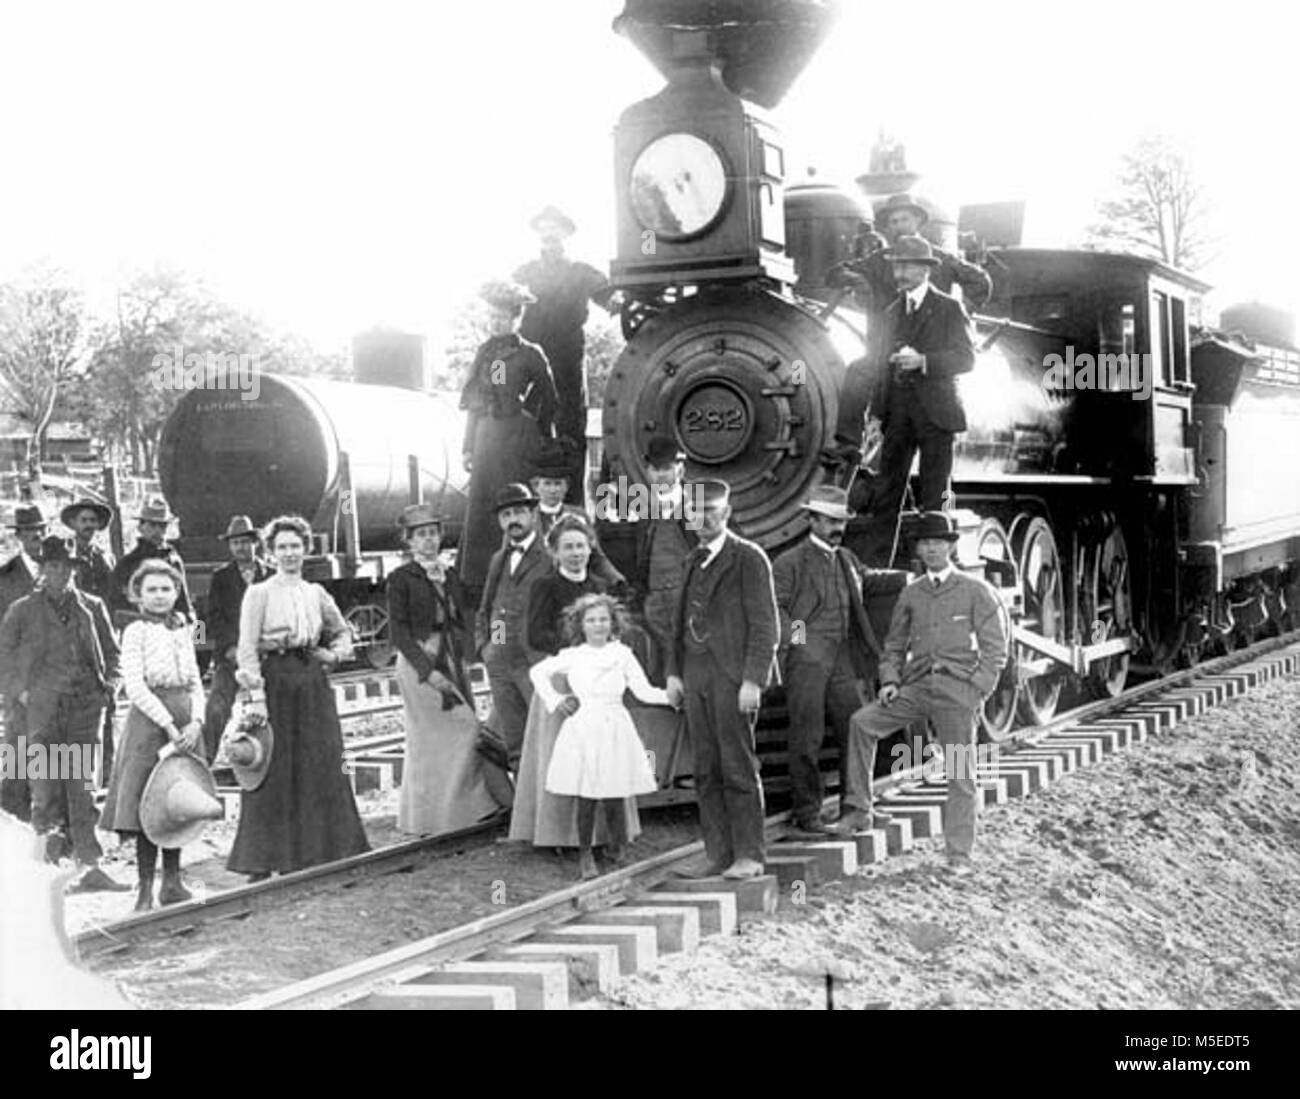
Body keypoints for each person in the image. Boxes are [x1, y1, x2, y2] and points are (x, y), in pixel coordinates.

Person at [833, 512, 1008, 874]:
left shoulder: (976, 591)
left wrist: (977, 691)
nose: (930, 549)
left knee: (960, 773)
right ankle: (860, 810)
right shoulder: (911, 593)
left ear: (951, 546)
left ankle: (958, 854)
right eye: (925, 543)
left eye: (937, 543)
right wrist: (891, 680)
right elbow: (894, 644)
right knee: (862, 723)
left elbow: (996, 650)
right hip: (916, 687)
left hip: (957, 691)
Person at [228, 515, 369, 879]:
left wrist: (333, 654)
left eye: (295, 547)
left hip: (311, 683)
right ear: (271, 553)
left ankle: (325, 850)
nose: (289, 554)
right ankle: (266, 858)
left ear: (306, 550)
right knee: (274, 764)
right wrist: (256, 695)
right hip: (275, 682)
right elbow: (245, 648)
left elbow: (342, 632)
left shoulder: (316, 593)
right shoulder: (257, 593)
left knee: (322, 758)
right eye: (281, 548)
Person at [771, 486, 908, 834]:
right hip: (807, 661)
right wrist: (803, 640)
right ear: (811, 520)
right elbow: (777, 609)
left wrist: (908, 577)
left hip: (843, 660)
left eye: (841, 521)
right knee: (807, 736)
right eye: (830, 521)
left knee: (857, 729)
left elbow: (868, 581)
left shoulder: (845, 558)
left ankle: (857, 806)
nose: (837, 527)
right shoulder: (790, 562)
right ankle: (808, 812)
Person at [839, 235, 978, 566]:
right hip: (897, 415)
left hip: (937, 414)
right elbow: (879, 368)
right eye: (896, 266)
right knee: (886, 496)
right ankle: (878, 571)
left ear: (924, 270)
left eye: (906, 266)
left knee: (935, 496)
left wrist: (925, 361)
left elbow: (967, 358)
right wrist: (875, 415)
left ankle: (940, 569)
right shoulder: (889, 314)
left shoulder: (948, 307)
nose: (898, 273)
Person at [666, 479, 779, 881]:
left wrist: (753, 681)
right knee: (705, 768)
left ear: (726, 513)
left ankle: (749, 854)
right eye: (695, 513)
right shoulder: (690, 561)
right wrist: (674, 673)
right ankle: (717, 853)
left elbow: (766, 626)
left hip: (732, 677)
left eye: (710, 512)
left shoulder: (749, 558)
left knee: (737, 766)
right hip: (695, 675)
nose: (702, 520)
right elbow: (676, 623)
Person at [0, 536, 127, 892]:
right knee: (45, 788)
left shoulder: (92, 606)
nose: (60, 574)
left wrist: (108, 689)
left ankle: (90, 865)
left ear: (74, 570)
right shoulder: (22, 610)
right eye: (53, 566)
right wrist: (21, 693)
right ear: (43, 569)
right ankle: (46, 872)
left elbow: (114, 655)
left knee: (81, 787)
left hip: (84, 708)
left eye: (67, 567)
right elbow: (4, 659)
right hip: (42, 711)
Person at [530, 594, 665, 879]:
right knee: (587, 794)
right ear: (581, 625)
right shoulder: (573, 655)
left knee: (615, 790)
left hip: (616, 723)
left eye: (603, 619)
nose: (598, 625)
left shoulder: (622, 654)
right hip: (584, 726)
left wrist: (672, 697)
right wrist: (557, 700)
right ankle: (585, 854)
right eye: (591, 620)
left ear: (613, 622)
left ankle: (617, 848)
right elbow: (537, 672)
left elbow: (642, 691)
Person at [387, 503, 501, 836]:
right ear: (409, 542)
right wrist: (428, 672)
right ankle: (428, 817)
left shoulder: (449, 574)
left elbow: (464, 616)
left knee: (460, 732)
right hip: (419, 662)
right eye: (421, 535)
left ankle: (461, 814)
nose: (428, 540)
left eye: (433, 533)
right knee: (442, 734)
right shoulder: (400, 579)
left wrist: (469, 655)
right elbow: (398, 632)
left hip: (451, 658)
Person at [98, 559, 205, 911]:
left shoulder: (183, 629)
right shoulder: (135, 632)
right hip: (150, 725)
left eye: (166, 589)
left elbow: (195, 682)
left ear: (176, 593)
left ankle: (172, 883)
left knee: (177, 800)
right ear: (138, 596)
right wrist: (170, 727)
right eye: (152, 590)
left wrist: (195, 723)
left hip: (184, 720)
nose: (160, 596)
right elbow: (135, 686)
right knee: (149, 803)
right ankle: (144, 888)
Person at [459, 280, 558, 600]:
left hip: (519, 439)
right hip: (487, 437)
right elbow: (473, 404)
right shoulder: (484, 353)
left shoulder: (530, 353)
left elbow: (550, 397)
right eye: (493, 316)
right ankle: (481, 580)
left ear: (517, 318)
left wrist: (533, 427)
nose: (496, 321)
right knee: (484, 506)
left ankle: (529, 572)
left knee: (518, 501)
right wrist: (467, 446)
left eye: (503, 316)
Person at [514, 205, 616, 502]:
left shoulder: (581, 273)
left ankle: (574, 507)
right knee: (528, 426)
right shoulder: (525, 273)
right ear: (538, 237)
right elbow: (501, 301)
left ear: (566, 236)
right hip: (530, 360)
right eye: (544, 232)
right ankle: (527, 502)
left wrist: (617, 300)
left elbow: (608, 295)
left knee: (571, 427)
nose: (550, 238)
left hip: (568, 357)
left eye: (555, 232)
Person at [475, 484, 554, 771]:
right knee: (516, 744)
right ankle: (525, 813)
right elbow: (492, 607)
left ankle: (552, 812)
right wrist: (489, 647)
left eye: (520, 512)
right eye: (506, 514)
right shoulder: (499, 559)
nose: (513, 520)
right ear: (500, 520)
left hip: (536, 663)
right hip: (502, 665)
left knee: (547, 738)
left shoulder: (550, 556)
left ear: (533, 514)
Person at [200, 515, 271, 761]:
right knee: (217, 706)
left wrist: (264, 646)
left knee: (276, 707)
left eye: (245, 542)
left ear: (255, 543)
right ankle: (205, 758)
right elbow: (213, 616)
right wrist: (232, 646)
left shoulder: (272, 574)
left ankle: (275, 757)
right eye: (235, 543)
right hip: (231, 654)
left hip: (267, 655)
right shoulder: (221, 577)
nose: (240, 547)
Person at [628, 435, 694, 685]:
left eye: (667, 468)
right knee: (663, 666)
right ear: (648, 472)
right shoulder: (641, 507)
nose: (661, 475)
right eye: (655, 469)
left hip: (689, 599)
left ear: (681, 469)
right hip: (655, 602)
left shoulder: (698, 503)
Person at [0, 505, 47, 821]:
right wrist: (13, 686)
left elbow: (195, 616)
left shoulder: (63, 570)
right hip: (20, 681)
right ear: (18, 536)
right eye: (31, 532)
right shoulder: (5, 579)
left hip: (58, 679)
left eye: (42, 530)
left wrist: (199, 645)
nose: (38, 537)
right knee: (17, 752)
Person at [872, 193, 992, 309]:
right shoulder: (878, 259)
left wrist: (959, 311)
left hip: (933, 326)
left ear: (917, 220)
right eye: (894, 222)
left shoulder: (941, 257)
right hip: (891, 327)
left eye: (904, 219)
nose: (899, 226)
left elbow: (980, 281)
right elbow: (855, 275)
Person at [525, 514, 608, 664]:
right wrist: (576, 648)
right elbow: (536, 636)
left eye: (580, 546)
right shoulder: (545, 586)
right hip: (564, 664)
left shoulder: (600, 586)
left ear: (590, 549)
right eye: (568, 547)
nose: (576, 553)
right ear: (555, 552)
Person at [110, 495, 192, 622]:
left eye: (162, 526)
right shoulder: (127, 563)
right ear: (140, 527)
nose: (158, 531)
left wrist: (199, 640)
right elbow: (115, 609)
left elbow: (186, 606)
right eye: (152, 525)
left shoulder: (173, 560)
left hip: (171, 631)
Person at [60, 497, 115, 606]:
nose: (88, 525)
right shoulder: (65, 553)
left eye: (93, 520)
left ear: (98, 524)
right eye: (84, 520)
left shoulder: (106, 556)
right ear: (73, 523)